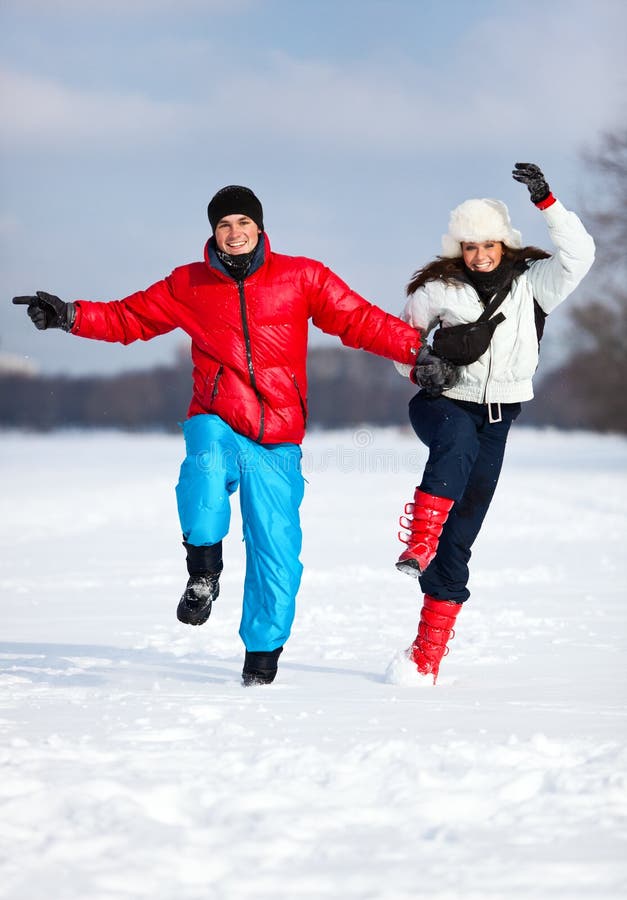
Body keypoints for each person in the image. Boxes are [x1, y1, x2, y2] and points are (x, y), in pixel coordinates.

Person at [13, 185, 422, 686]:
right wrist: (71, 316)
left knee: (277, 558)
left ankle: (260, 666)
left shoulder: (302, 276)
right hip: (219, 418)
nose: (234, 233)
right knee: (203, 460)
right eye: (224, 225)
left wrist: (419, 351)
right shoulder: (189, 284)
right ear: (213, 232)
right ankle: (204, 570)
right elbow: (129, 317)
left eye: (243, 224)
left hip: (278, 438)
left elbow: (357, 319)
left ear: (259, 228)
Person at [392, 163, 595, 684]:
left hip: (499, 415)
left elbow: (581, 256)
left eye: (489, 245)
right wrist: (421, 364)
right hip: (442, 404)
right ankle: (418, 540)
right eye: (469, 246)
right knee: (455, 444)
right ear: (457, 248)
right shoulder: (437, 289)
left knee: (462, 535)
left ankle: (425, 658)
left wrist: (547, 202)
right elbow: (400, 346)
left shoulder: (534, 285)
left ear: (504, 244)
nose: (479, 256)